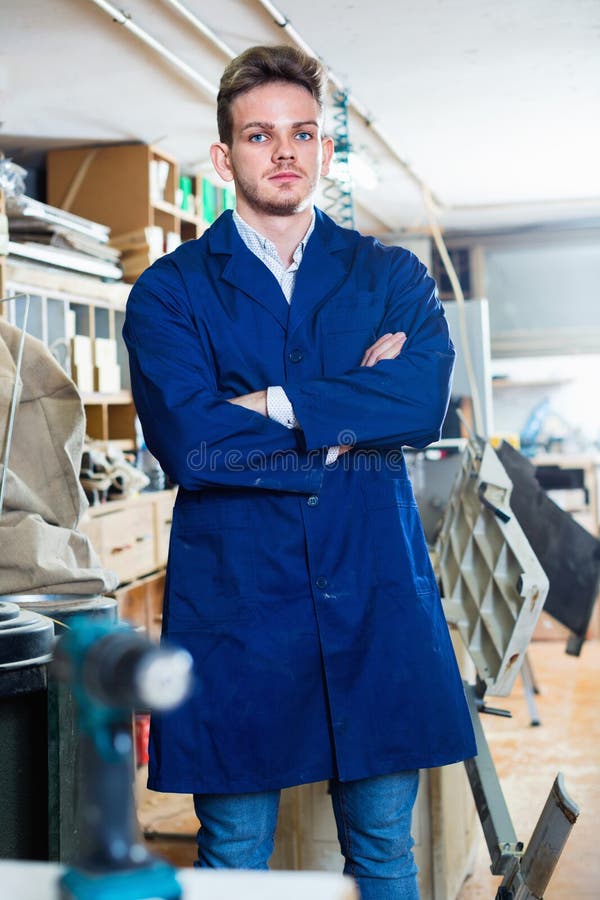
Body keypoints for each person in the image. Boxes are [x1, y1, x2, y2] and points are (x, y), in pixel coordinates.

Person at [123, 44, 476, 900]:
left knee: (386, 854)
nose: (283, 151)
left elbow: (420, 401)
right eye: (259, 135)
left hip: (372, 600)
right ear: (224, 156)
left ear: (323, 150)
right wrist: (350, 411)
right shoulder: (169, 293)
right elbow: (192, 443)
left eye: (302, 133)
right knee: (233, 858)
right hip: (239, 615)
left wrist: (272, 405)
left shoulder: (390, 275)